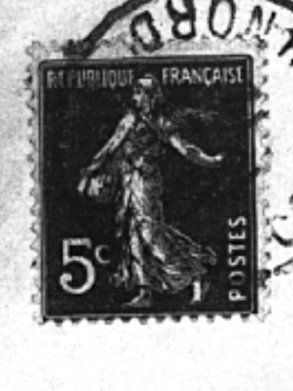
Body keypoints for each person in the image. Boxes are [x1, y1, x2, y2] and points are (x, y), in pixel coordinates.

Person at [77, 74, 224, 307]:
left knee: (149, 234)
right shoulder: (129, 120)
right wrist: (89, 172)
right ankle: (144, 291)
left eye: (143, 93)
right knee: (132, 234)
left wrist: (211, 160)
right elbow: (111, 147)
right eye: (136, 92)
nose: (138, 97)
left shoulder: (162, 122)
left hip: (147, 183)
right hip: (128, 181)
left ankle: (195, 275)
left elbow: (185, 149)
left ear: (153, 96)